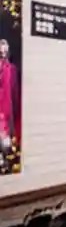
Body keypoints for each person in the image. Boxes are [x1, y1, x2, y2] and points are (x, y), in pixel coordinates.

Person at [0, 39, 17, 173]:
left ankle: (5, 163)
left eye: (5, 52)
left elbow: (14, 91)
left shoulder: (11, 69)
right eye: (1, 53)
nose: (3, 55)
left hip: (6, 112)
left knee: (6, 142)